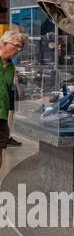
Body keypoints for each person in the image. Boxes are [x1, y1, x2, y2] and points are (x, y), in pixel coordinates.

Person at [0, 30, 26, 164]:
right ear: (5, 43)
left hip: (2, 116)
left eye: (20, 47)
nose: (18, 50)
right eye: (16, 45)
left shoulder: (11, 67)